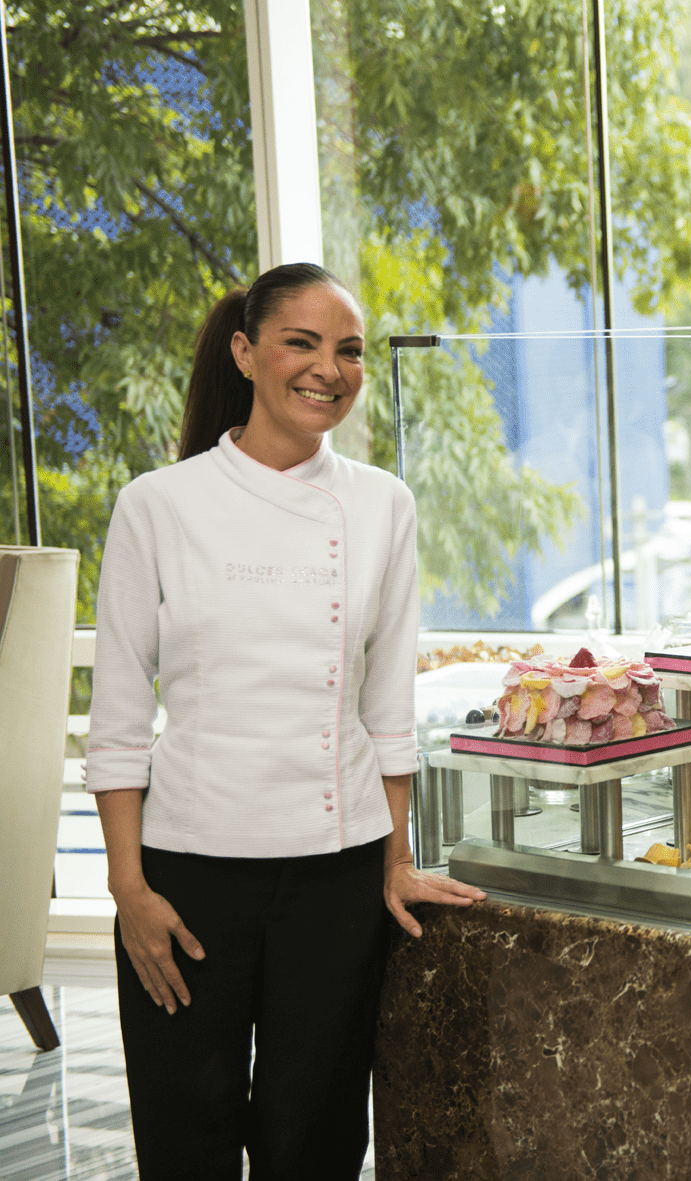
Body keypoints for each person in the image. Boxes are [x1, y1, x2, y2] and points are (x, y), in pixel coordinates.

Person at [86, 262, 485, 1180]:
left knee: (318, 1129)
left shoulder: (385, 504)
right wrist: (128, 890)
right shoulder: (159, 504)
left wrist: (395, 861)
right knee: (187, 1130)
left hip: (335, 870)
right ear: (246, 352)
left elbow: (387, 705)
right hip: (186, 873)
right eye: (301, 342)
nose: (329, 369)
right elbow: (114, 724)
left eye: (347, 350)